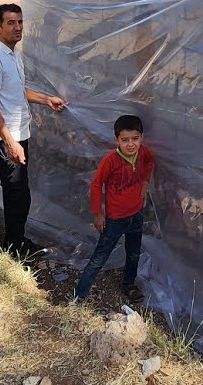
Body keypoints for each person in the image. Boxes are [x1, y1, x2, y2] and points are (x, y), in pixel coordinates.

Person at [0, 3, 67, 258]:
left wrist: (45, 99)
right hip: (4, 139)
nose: (17, 27)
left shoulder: (13, 53)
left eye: (19, 22)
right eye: (10, 23)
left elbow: (17, 90)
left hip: (18, 134)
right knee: (17, 194)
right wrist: (9, 142)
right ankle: (13, 246)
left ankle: (16, 240)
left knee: (21, 194)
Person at [72, 115, 153, 305]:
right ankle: (78, 296)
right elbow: (96, 185)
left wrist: (145, 182)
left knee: (133, 254)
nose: (131, 144)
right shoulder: (111, 161)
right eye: (125, 140)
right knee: (99, 257)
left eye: (135, 139)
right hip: (115, 219)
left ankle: (129, 284)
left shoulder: (144, 153)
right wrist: (98, 213)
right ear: (116, 140)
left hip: (136, 215)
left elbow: (149, 162)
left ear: (142, 137)